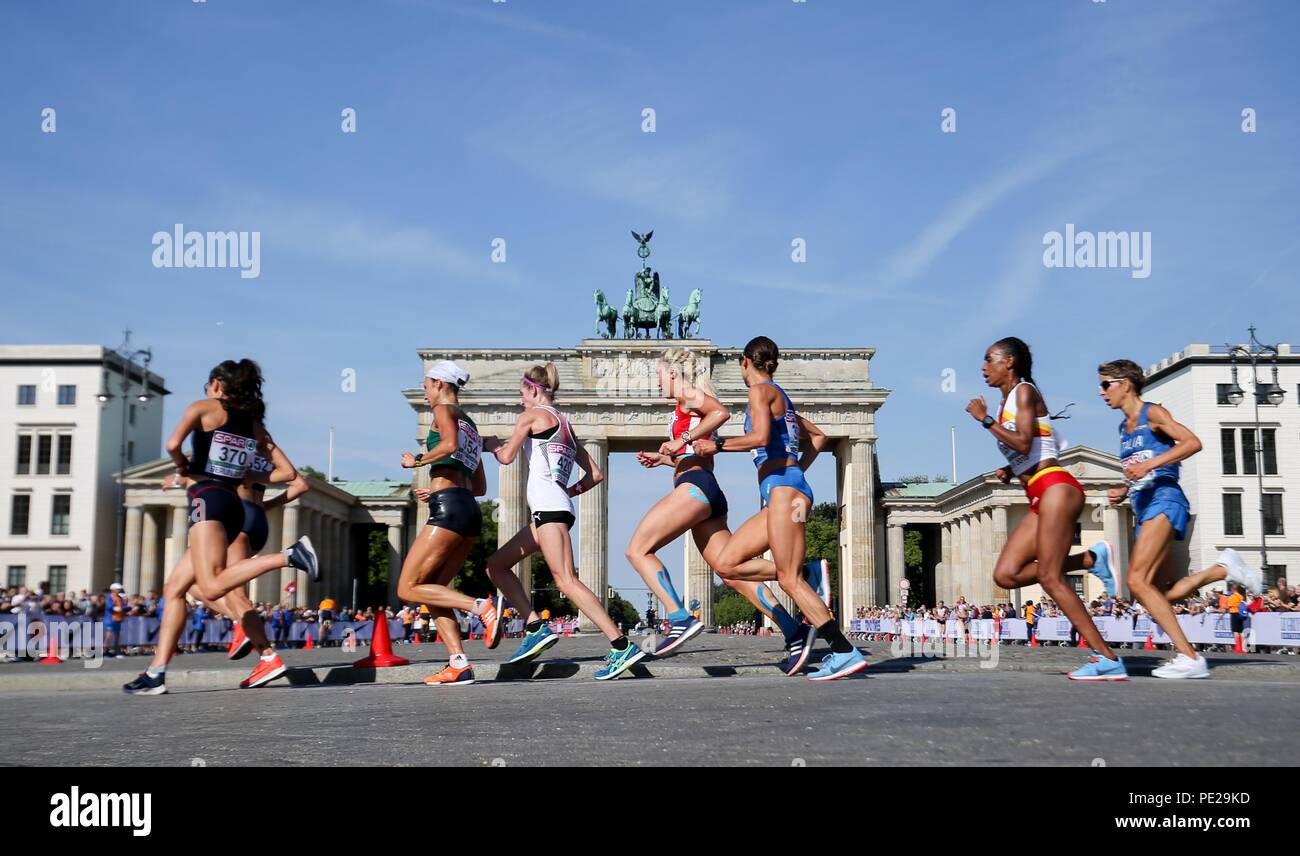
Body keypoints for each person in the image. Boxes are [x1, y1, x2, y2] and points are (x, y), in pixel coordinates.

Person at [626, 347, 830, 674]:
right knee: (730, 571)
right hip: (705, 489)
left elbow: (720, 413)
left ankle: (678, 617)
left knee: (637, 550)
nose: (658, 380)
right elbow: (697, 450)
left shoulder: (689, 392)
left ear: (674, 372)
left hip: (695, 488)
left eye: (659, 373)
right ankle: (794, 625)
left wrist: (682, 442)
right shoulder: (682, 406)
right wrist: (666, 458)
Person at [123, 359, 316, 695]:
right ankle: (156, 672)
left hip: (207, 498)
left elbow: (172, 445)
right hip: (232, 505)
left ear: (216, 384)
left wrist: (184, 467)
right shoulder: (254, 426)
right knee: (175, 589)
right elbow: (287, 474)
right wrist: (247, 476)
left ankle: (289, 556)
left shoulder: (204, 407)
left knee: (211, 589)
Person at [693, 336, 867, 681]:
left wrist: (716, 445)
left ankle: (844, 651)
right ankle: (810, 574)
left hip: (785, 494)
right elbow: (817, 438)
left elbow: (758, 438)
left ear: (745, 362)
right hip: (787, 492)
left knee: (787, 579)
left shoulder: (760, 392)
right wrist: (797, 470)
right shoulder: (781, 401)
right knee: (727, 564)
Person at [965, 337, 1126, 680]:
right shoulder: (1011, 398)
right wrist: (1012, 470)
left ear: (1008, 362)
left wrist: (985, 420)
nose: (983, 367)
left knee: (1050, 577)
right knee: (1006, 575)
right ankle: (1090, 559)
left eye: (988, 360)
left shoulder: (1023, 392)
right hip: (1039, 492)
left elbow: (1024, 441)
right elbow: (1037, 445)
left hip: (1056, 488)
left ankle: (1106, 658)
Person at [479, 363, 646, 680]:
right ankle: (534, 626)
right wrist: (568, 490)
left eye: (521, 394)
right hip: (553, 509)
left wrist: (490, 444)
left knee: (566, 581)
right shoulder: (566, 426)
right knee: (496, 565)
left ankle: (621, 644)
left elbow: (506, 457)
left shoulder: (531, 416)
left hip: (549, 510)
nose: (520, 401)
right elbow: (595, 475)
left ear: (533, 389)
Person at [1098, 358, 1263, 678]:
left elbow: (1192, 442)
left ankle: (1190, 657)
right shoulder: (1124, 427)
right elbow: (1141, 469)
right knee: (1154, 594)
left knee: (1136, 581)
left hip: (1166, 499)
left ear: (1125, 384)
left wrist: (1148, 466)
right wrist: (1125, 487)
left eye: (1106, 385)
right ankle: (1222, 568)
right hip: (1144, 504)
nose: (1102, 393)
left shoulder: (1153, 413)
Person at [395, 361, 498, 686]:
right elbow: (480, 487)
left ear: (439, 383)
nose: (425, 393)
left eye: (426, 385)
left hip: (450, 510)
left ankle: (480, 606)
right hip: (467, 508)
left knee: (406, 587)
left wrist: (419, 460)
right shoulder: (471, 425)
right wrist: (441, 484)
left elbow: (449, 445)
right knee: (434, 589)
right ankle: (458, 662)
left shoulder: (444, 410)